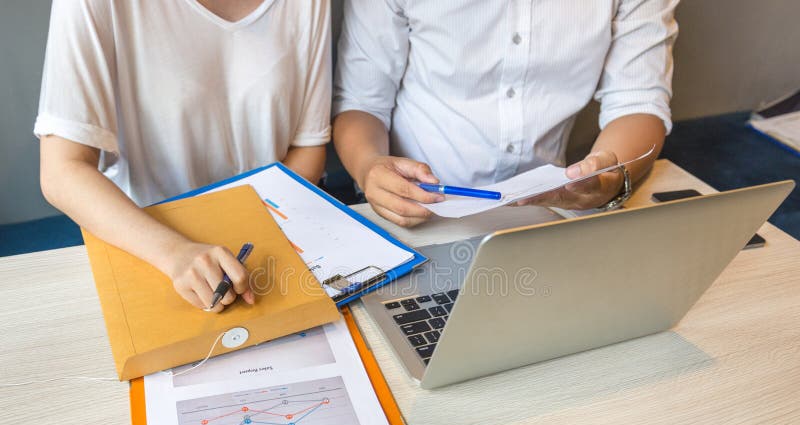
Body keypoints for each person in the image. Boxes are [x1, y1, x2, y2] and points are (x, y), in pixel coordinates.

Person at [35, 0, 331, 311]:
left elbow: (308, 149)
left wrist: (249, 230)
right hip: (148, 246)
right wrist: (174, 252)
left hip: (272, 237)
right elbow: (62, 171)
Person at [333, 0, 678, 227]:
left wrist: (610, 178)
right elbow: (361, 102)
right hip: (413, 212)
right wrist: (367, 166)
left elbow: (637, 100)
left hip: (551, 212)